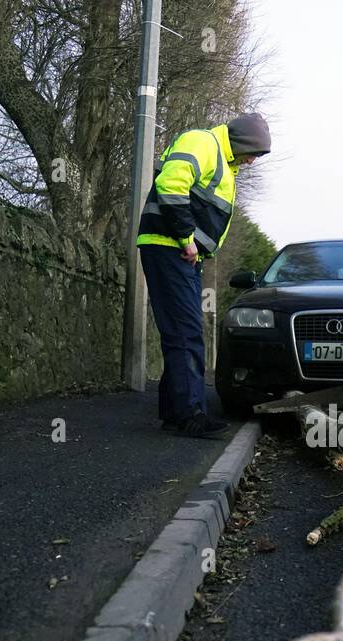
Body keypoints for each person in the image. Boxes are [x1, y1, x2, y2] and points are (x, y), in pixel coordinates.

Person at [136, 113, 272, 437]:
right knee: (187, 334)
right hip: (171, 247)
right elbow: (171, 184)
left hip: (178, 252)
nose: (252, 161)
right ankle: (190, 415)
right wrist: (187, 238)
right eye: (254, 152)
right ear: (242, 142)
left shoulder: (223, 162)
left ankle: (174, 412)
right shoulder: (203, 142)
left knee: (181, 333)